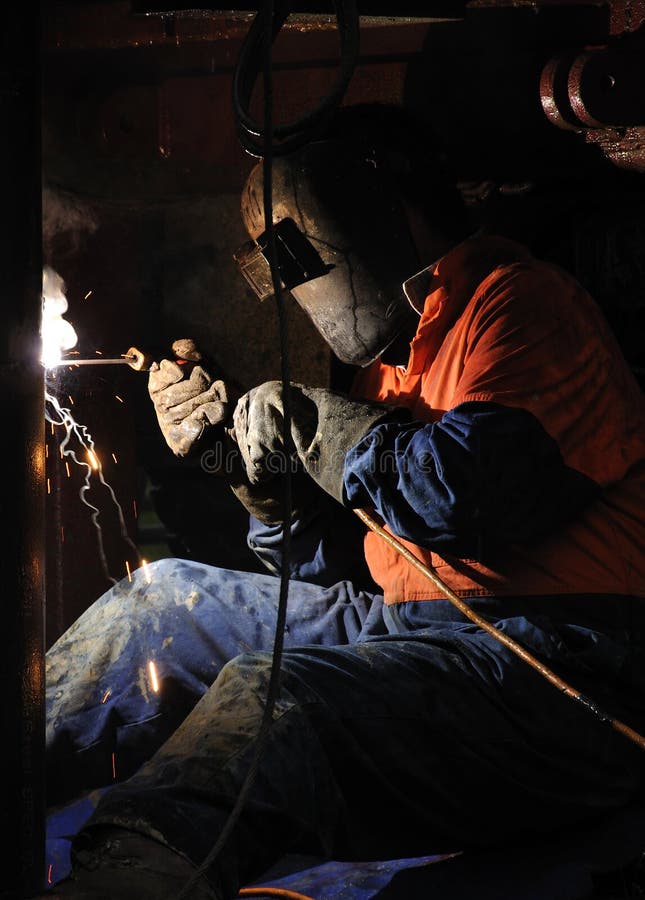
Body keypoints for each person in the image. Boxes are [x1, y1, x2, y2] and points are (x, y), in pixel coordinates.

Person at [43, 103, 645, 900]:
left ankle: (123, 884)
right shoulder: (384, 369)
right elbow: (339, 566)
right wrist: (253, 478)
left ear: (377, 213)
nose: (296, 283)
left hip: (561, 675)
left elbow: (473, 500)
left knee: (273, 697)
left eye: (298, 251)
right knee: (161, 603)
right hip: (411, 636)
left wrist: (315, 426)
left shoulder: (523, 305)